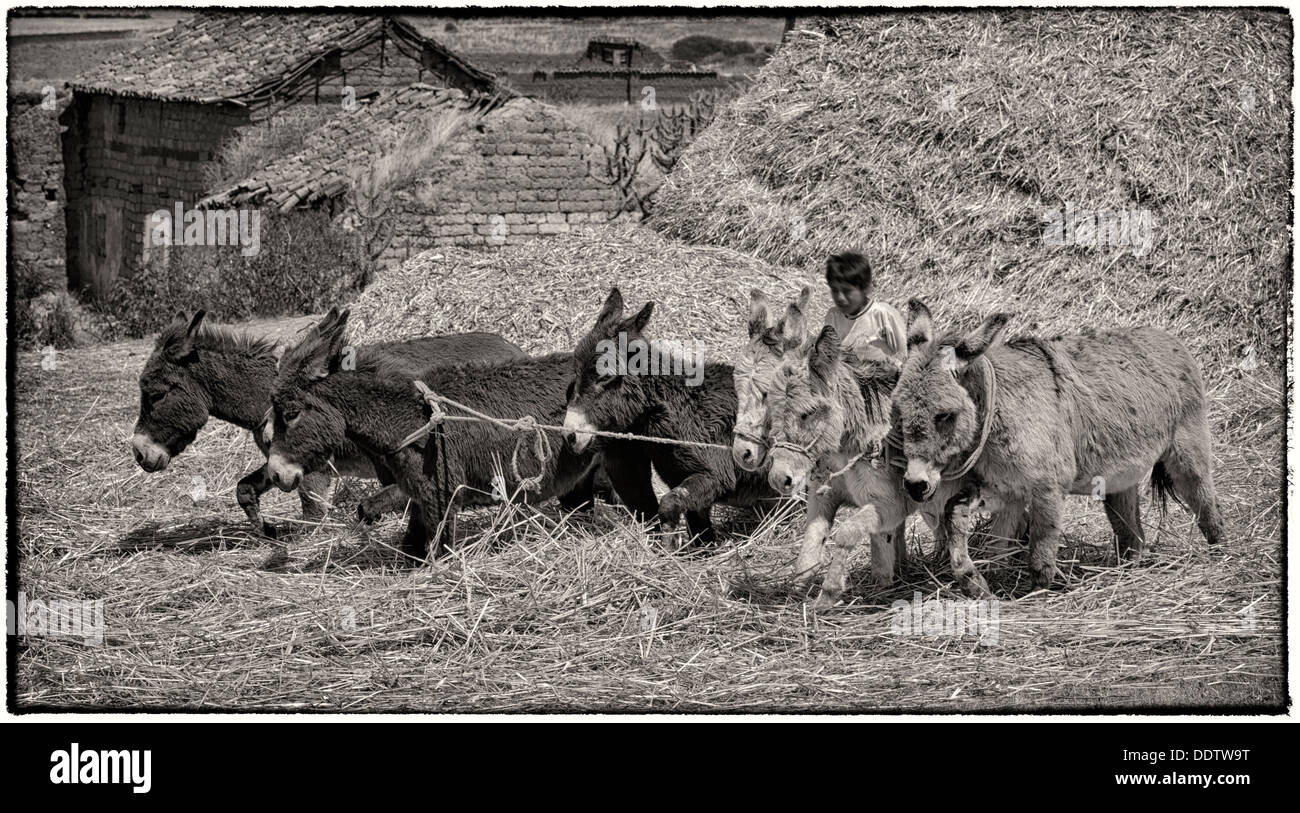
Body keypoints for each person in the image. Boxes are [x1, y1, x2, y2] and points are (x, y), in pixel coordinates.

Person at [822, 250, 907, 371]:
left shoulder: (882, 315)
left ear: (865, 289)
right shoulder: (833, 317)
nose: (840, 297)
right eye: (835, 290)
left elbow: (906, 355)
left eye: (847, 291)